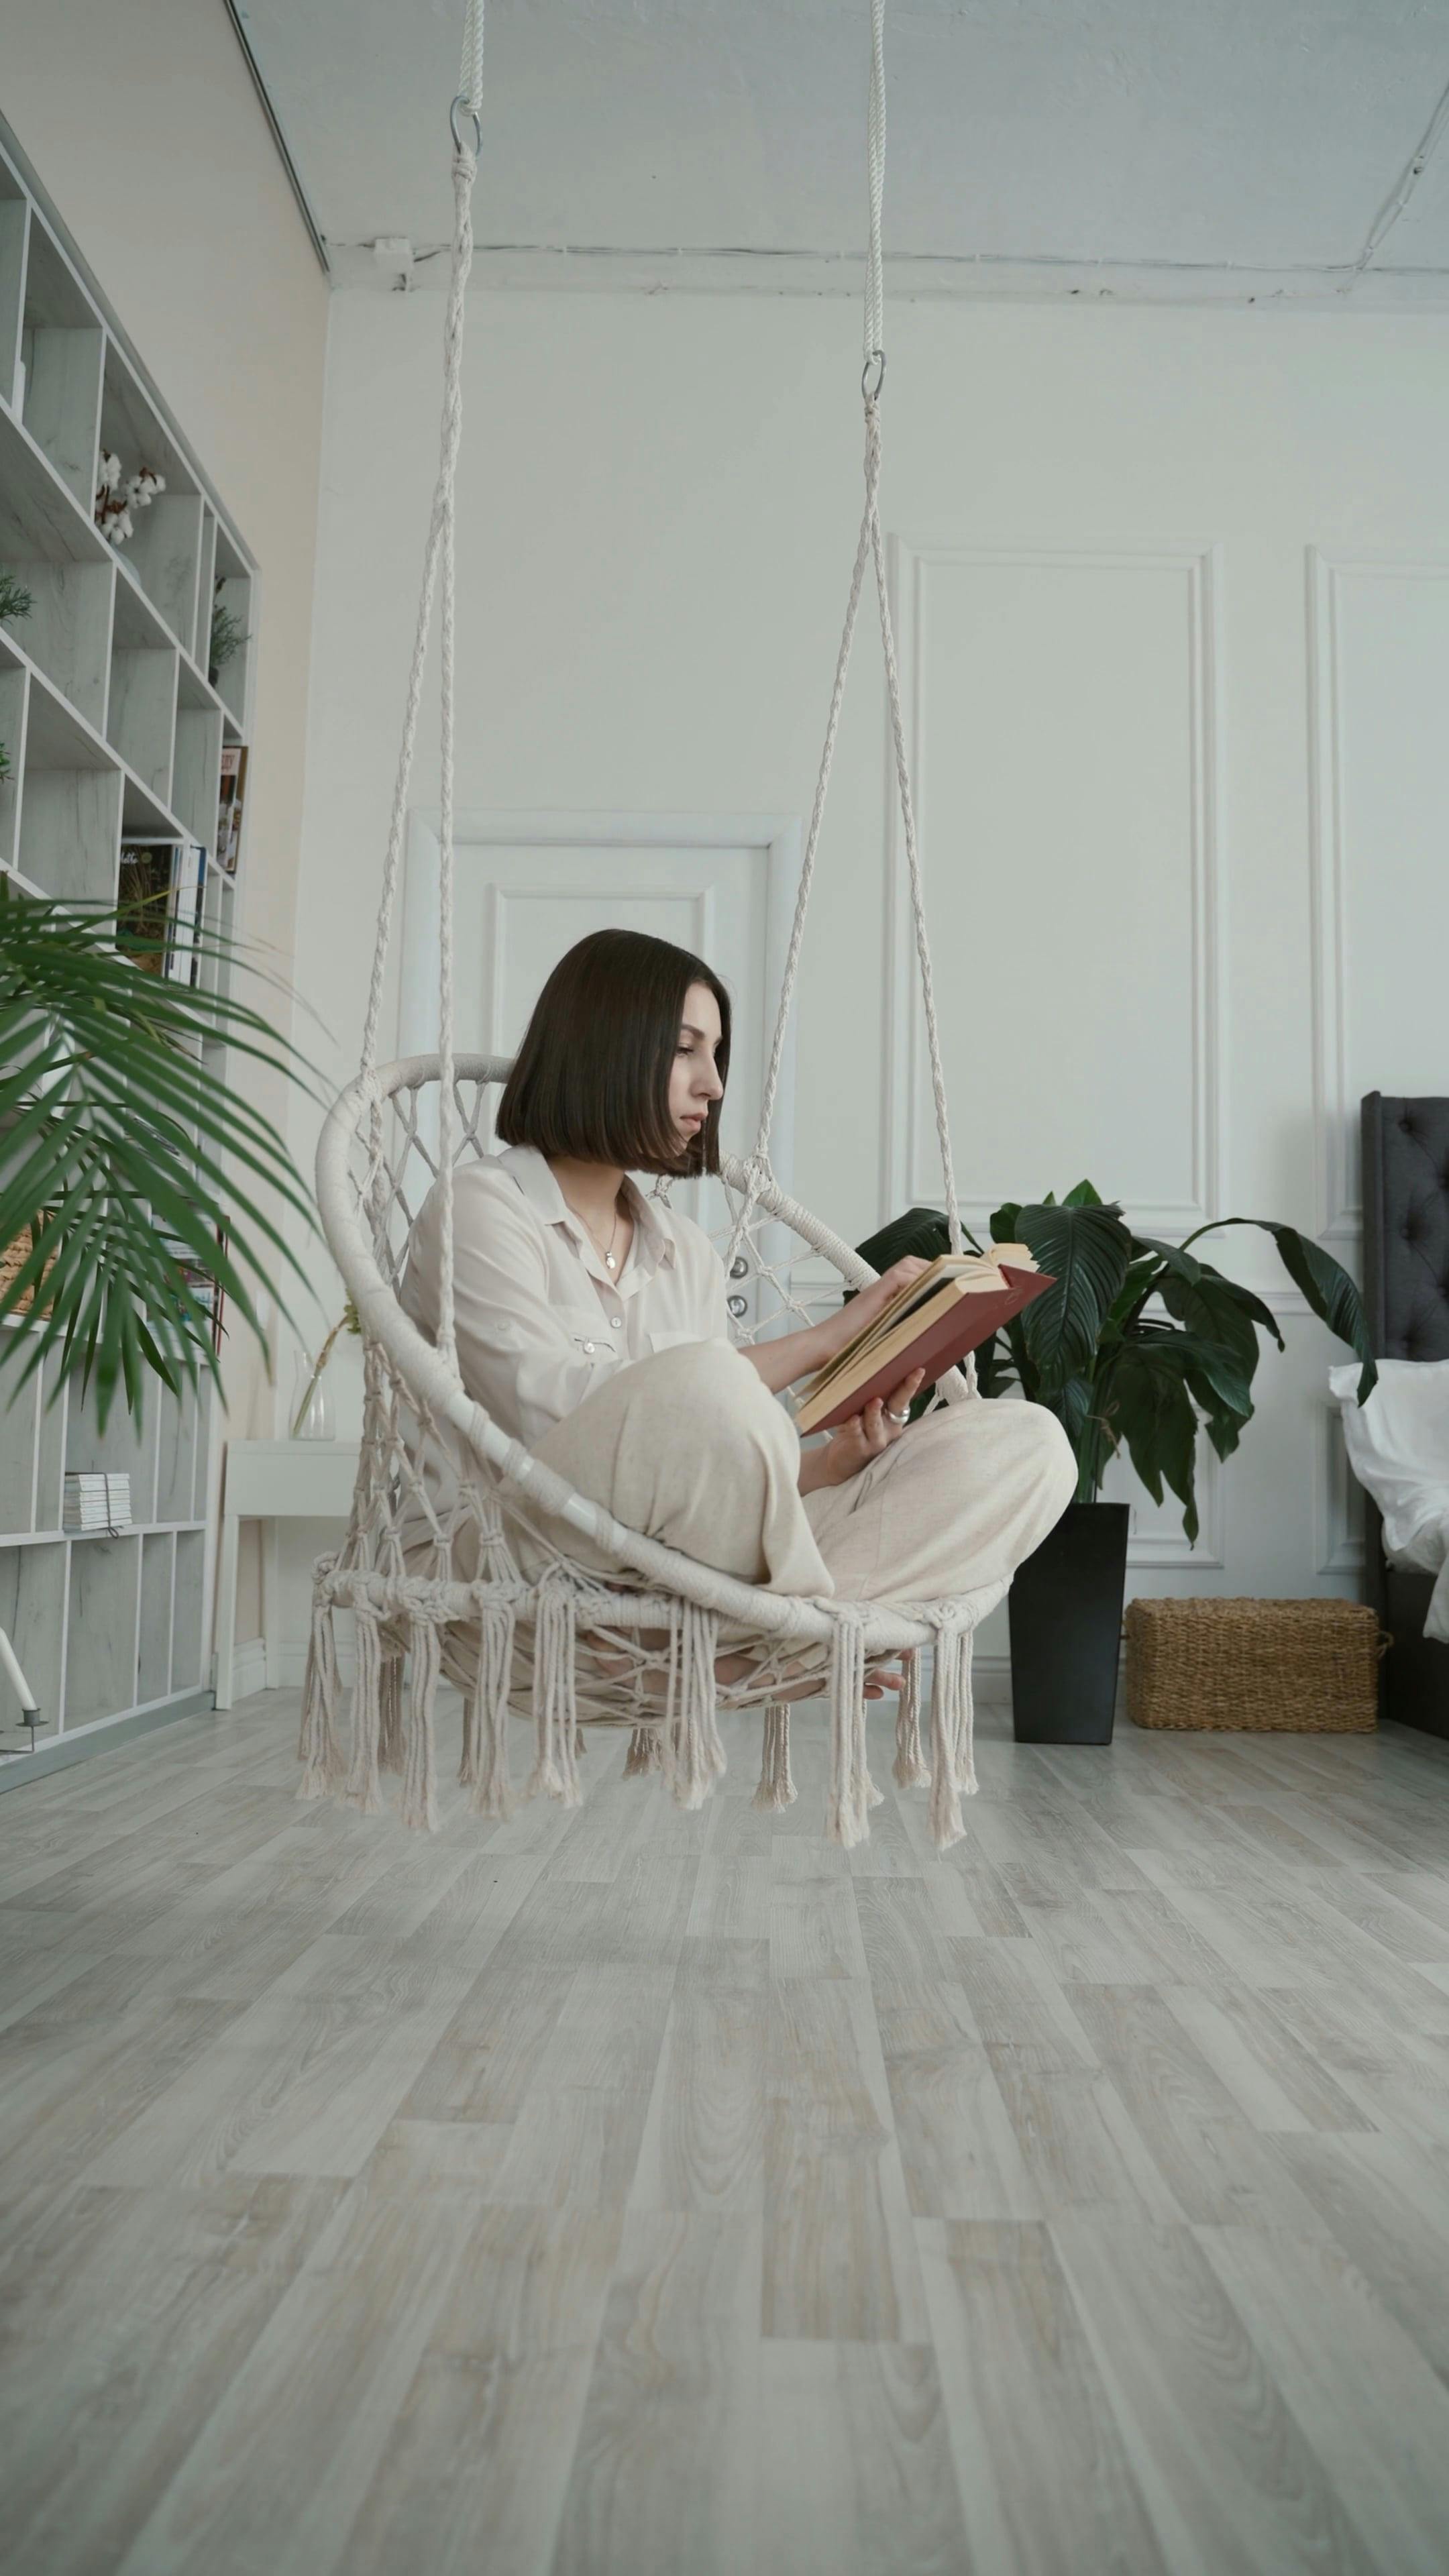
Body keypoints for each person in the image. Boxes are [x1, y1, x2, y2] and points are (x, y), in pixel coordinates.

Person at [400, 927, 1075, 1695]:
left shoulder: (682, 1248)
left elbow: (713, 1464)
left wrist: (829, 1464)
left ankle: (767, 1645)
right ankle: (784, 1642)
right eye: (686, 1049)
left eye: (716, 1055)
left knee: (1026, 1445)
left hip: (676, 1573)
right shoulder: (483, 1209)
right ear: (602, 1048)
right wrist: (828, 1340)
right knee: (705, 1385)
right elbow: (554, 1418)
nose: (714, 1085)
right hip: (517, 1550)